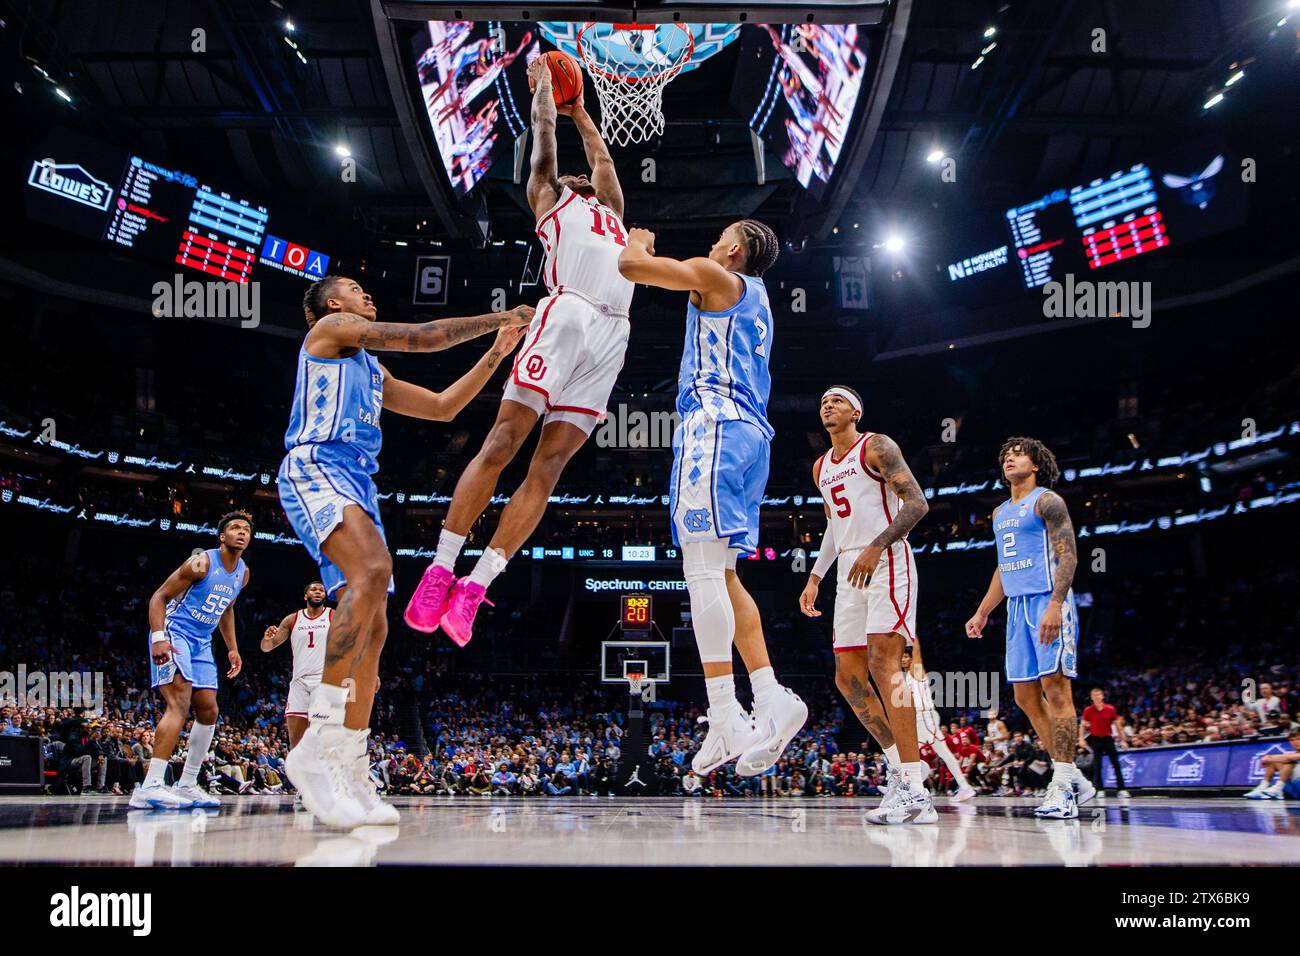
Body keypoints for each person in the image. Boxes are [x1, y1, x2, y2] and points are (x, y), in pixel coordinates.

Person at [279, 273, 532, 829]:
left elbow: (442, 407)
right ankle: (316, 742)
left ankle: (351, 765)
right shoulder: (331, 330)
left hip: (357, 482)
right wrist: (501, 316)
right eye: (354, 287)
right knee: (373, 570)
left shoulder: (371, 370)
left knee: (375, 629)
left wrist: (497, 351)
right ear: (332, 303)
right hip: (317, 465)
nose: (366, 293)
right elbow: (427, 337)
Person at [404, 56, 634, 648]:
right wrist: (545, 95)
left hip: (614, 335)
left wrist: (582, 111)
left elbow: (605, 162)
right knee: (503, 442)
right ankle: (439, 570)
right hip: (568, 311)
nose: (584, 177)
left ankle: (476, 585)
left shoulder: (611, 213)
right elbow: (543, 140)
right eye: (575, 176)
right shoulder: (550, 198)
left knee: (548, 468)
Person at [617, 219, 807, 782]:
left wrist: (639, 239)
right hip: (752, 437)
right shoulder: (761, 300)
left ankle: (724, 713)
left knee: (700, 573)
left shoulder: (716, 275)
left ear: (736, 249)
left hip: (714, 428)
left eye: (721, 236)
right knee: (724, 576)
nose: (712, 243)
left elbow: (631, 267)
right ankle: (770, 697)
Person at [797, 386, 933, 824]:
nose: (827, 405)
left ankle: (915, 789)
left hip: (888, 560)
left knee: (883, 664)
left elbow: (917, 503)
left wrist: (877, 546)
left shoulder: (877, 446)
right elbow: (834, 527)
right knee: (848, 677)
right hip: (848, 568)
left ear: (855, 411)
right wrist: (815, 576)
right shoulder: (821, 466)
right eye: (823, 401)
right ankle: (901, 772)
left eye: (837, 401)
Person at [966, 436, 1094, 819]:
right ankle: (1074, 778)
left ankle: (1064, 785)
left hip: (1046, 601)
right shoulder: (1000, 512)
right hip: (1016, 606)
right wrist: (983, 611)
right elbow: (1003, 567)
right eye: (1006, 454)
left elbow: (1068, 555)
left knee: (1056, 690)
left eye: (1019, 454)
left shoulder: (1047, 501)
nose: (1010, 458)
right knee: (1024, 697)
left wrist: (1055, 604)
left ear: (1036, 464)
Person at [131, 512, 251, 811]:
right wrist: (158, 637)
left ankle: (186, 784)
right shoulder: (201, 563)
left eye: (246, 529)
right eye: (235, 528)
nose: (242, 532)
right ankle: (151, 786)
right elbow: (159, 597)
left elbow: (226, 609)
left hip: (202, 642)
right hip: (175, 632)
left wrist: (232, 648)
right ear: (222, 536)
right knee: (179, 703)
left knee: (209, 710)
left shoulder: (243, 573)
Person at [261, 581, 331, 753]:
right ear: (305, 596)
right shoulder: (292, 619)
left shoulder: (333, 616)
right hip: (299, 682)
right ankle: (296, 771)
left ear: (325, 596)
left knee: (321, 739)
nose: (318, 592)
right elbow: (267, 647)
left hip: (324, 681)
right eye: (313, 589)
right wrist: (267, 639)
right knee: (296, 743)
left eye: (321, 590)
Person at [902, 645, 977, 802]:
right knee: (937, 753)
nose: (903, 659)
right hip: (919, 718)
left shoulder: (916, 671)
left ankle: (907, 788)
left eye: (906, 656)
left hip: (925, 717)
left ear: (911, 658)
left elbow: (917, 651)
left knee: (909, 751)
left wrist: (911, 633)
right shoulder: (905, 677)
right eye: (901, 656)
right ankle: (964, 787)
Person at [1079, 687, 1130, 797]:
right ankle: (1100, 789)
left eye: (1098, 695)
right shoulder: (1088, 710)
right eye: (1094, 695)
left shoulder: (1110, 709)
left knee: (1116, 764)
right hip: (1095, 739)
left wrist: (1123, 740)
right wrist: (1081, 739)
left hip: (1108, 738)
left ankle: (1122, 789)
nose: (1097, 697)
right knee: (1097, 765)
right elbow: (1082, 725)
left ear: (1102, 696)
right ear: (1091, 697)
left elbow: (1118, 726)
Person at [1244, 730, 1300, 800]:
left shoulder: (1292, 756)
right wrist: (1270, 759)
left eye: (1298, 739)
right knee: (1274, 761)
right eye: (1292, 740)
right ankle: (1262, 787)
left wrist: (1269, 758)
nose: (1295, 742)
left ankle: (1278, 787)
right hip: (1295, 788)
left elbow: (1289, 758)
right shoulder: (1291, 754)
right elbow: (1286, 758)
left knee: (1287, 761)